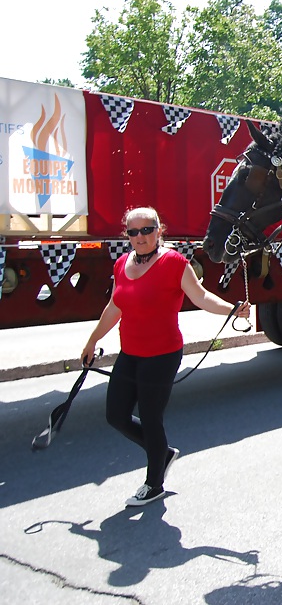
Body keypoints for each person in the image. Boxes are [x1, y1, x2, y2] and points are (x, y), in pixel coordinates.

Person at [81, 207, 252, 507]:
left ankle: (154, 483)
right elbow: (114, 307)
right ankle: (163, 453)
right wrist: (92, 341)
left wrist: (232, 308)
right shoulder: (122, 264)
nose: (140, 237)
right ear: (127, 235)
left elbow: (200, 296)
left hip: (162, 355)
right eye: (133, 232)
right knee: (116, 416)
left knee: (150, 418)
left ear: (159, 230)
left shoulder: (174, 263)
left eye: (147, 230)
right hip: (130, 353)